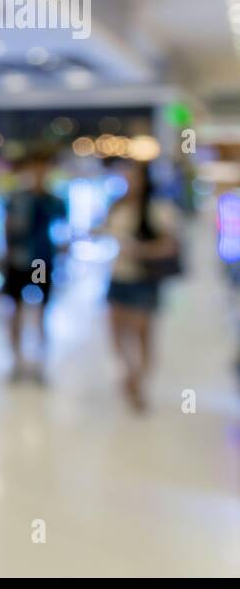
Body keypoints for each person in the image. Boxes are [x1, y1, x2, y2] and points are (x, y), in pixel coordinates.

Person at [105, 161, 181, 413]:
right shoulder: (117, 207)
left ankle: (137, 382)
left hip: (143, 279)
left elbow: (170, 245)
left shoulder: (158, 209)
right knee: (117, 332)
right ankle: (130, 374)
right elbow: (106, 232)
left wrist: (141, 251)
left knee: (142, 334)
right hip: (118, 277)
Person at [2, 152, 67, 383]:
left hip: (41, 262)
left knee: (41, 311)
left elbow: (63, 231)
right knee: (15, 310)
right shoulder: (17, 199)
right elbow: (7, 228)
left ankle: (40, 362)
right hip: (18, 261)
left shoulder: (54, 201)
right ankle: (16, 360)